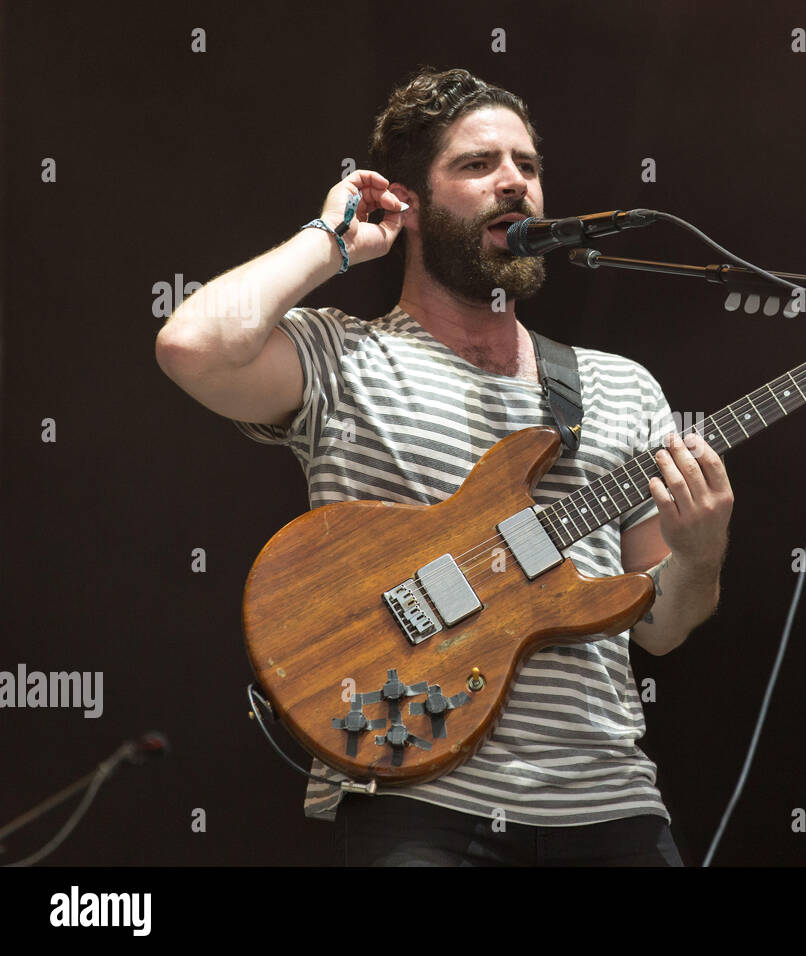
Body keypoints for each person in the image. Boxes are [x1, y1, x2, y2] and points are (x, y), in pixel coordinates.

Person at [154, 66, 732, 866]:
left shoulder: (620, 387)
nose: (514, 184)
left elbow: (662, 629)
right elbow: (194, 346)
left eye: (527, 166)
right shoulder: (344, 357)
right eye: (477, 165)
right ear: (407, 203)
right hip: (418, 801)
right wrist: (330, 242)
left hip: (610, 803)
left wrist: (700, 553)